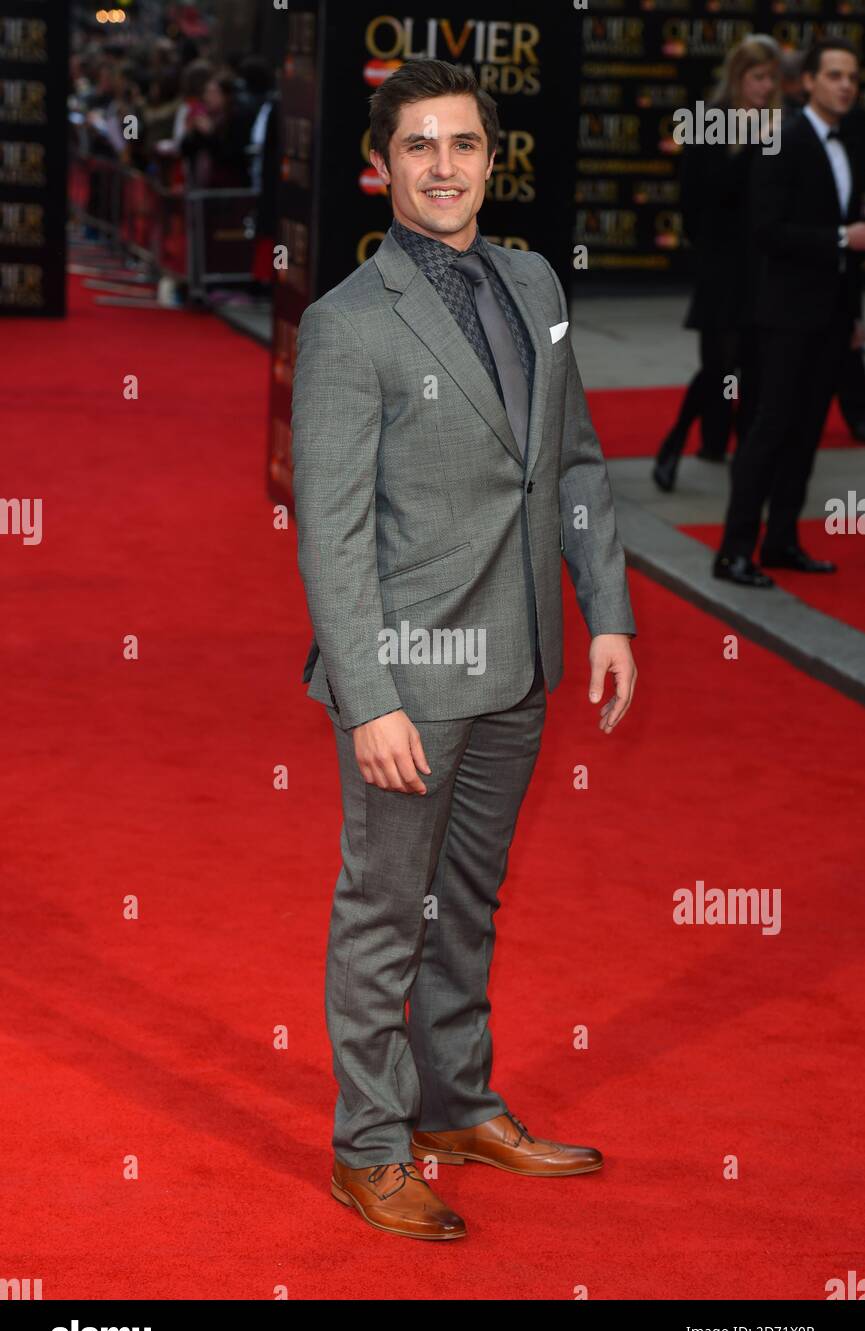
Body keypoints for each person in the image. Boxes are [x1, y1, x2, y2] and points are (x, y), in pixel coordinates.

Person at [291, 58, 637, 1241]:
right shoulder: (346, 323)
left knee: (467, 905)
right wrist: (367, 694)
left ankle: (456, 1104)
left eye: (466, 145)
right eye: (420, 147)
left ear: (495, 157)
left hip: (521, 659)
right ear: (380, 166)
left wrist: (609, 613)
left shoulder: (535, 280)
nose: (445, 167)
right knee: (386, 909)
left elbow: (576, 461)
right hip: (407, 674)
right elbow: (331, 533)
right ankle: (368, 1145)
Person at [714, 39, 865, 586]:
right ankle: (733, 551)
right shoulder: (783, 139)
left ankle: (780, 541)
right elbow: (767, 231)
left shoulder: (850, 143)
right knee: (770, 429)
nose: (846, 85)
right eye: (834, 75)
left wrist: (853, 319)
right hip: (783, 316)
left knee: (806, 434)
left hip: (831, 317)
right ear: (808, 83)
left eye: (852, 76)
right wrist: (841, 239)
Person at [653, 35, 781, 492]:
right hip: (723, 264)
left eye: (771, 78)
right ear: (738, 76)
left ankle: (744, 458)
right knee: (718, 365)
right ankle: (674, 442)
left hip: (765, 265)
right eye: (757, 77)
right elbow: (702, 197)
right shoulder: (712, 122)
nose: (765, 87)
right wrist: (752, 145)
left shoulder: (782, 127)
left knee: (755, 364)